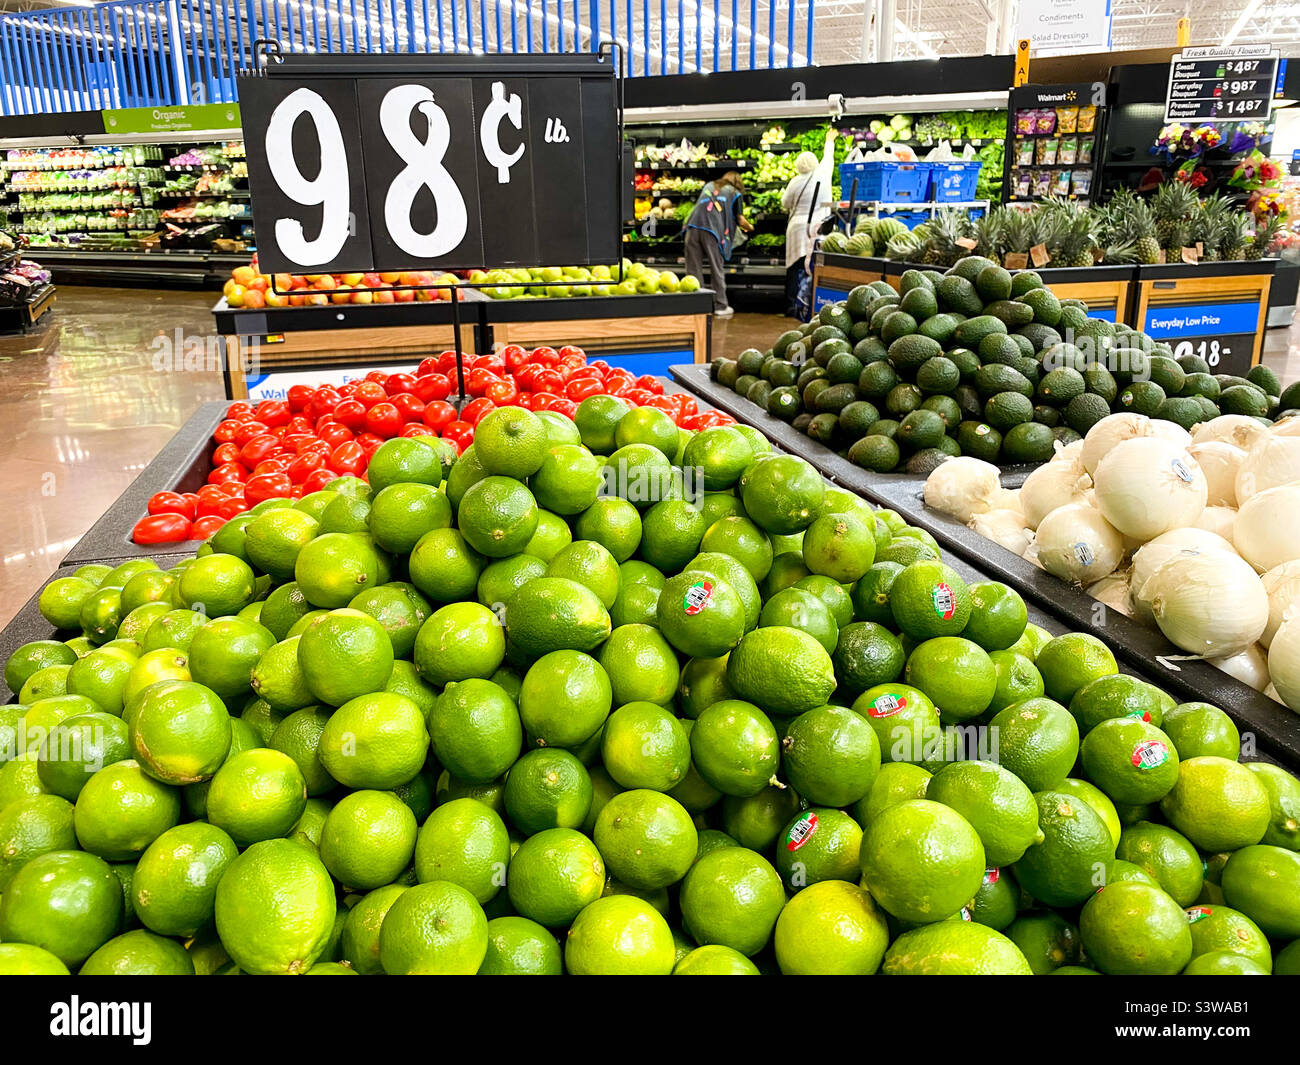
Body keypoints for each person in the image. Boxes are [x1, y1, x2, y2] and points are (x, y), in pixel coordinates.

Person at [782, 129, 838, 318]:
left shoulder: (794, 182)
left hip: (797, 228)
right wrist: (829, 139)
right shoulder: (823, 174)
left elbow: (785, 203)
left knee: (794, 267)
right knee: (813, 265)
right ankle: (811, 302)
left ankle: (791, 305)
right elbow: (828, 155)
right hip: (817, 228)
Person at [684, 170, 752, 318]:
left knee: (693, 269)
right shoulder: (735, 193)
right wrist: (751, 228)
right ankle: (720, 305)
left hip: (692, 228)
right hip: (711, 231)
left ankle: (696, 305)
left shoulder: (709, 185)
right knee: (716, 268)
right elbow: (740, 220)